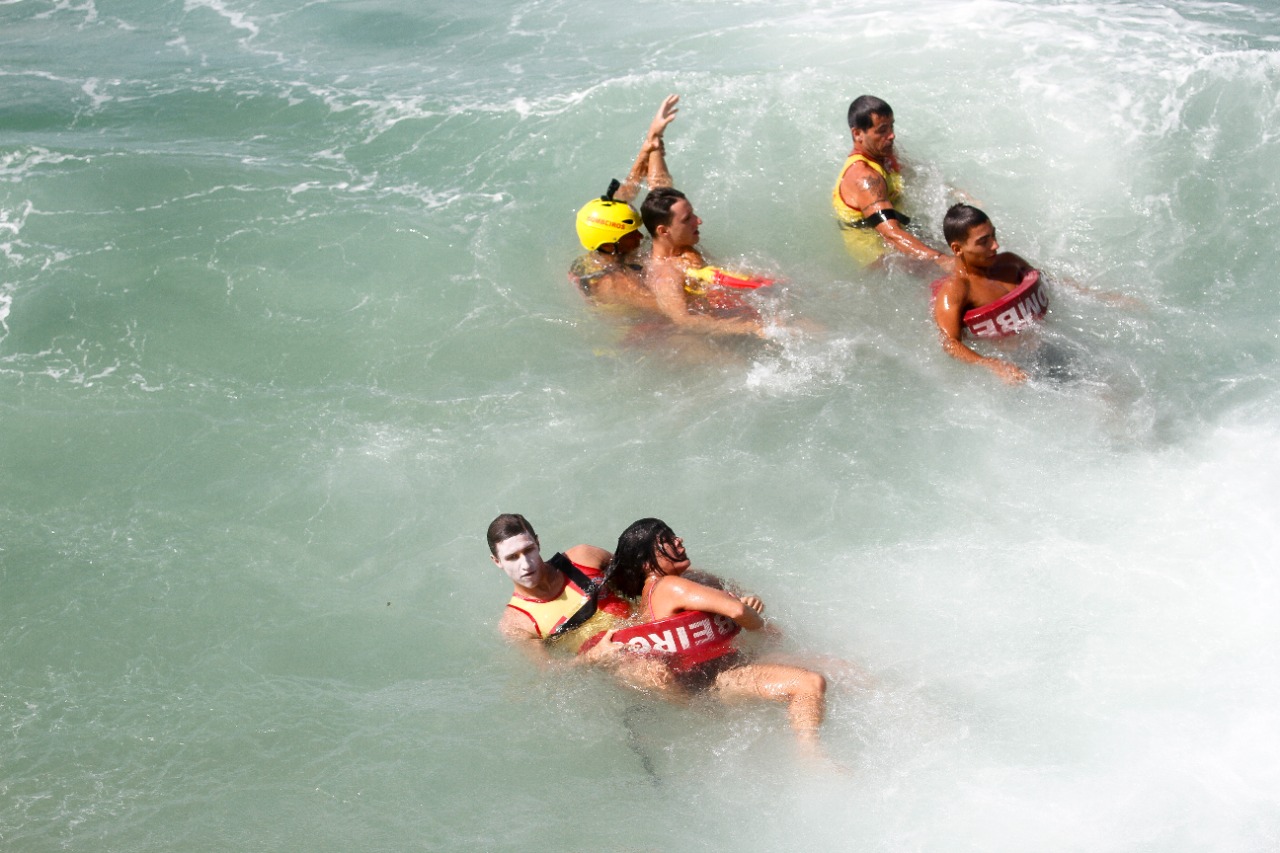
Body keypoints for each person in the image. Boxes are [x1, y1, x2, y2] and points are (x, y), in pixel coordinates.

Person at [608, 518, 828, 751]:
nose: (678, 540)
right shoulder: (669, 586)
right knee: (808, 683)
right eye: (666, 540)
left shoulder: (649, 597)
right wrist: (756, 623)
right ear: (645, 563)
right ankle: (810, 755)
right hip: (721, 681)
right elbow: (738, 611)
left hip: (710, 686)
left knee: (839, 671)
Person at [568, 95, 680, 312]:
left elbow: (626, 191)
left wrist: (650, 144)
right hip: (637, 327)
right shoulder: (614, 283)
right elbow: (672, 310)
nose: (640, 236)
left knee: (661, 206)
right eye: (631, 234)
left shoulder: (604, 237)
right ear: (610, 245)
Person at [832, 95, 952, 272]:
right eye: (882, 130)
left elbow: (918, 173)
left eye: (891, 126)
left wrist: (956, 192)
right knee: (948, 269)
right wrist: (941, 260)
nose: (891, 135)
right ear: (857, 134)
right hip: (880, 253)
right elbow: (891, 235)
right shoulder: (864, 178)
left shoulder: (884, 152)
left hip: (899, 225)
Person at [931, 203, 1046, 383]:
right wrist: (991, 364)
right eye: (983, 242)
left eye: (993, 235)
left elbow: (1046, 281)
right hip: (1014, 365)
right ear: (957, 249)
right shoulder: (957, 290)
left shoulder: (1011, 262)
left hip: (1045, 349)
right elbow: (949, 343)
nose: (995, 245)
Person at [641, 187, 771, 338]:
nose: (698, 221)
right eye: (687, 219)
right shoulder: (665, 275)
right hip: (720, 331)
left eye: (693, 214)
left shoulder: (682, 246)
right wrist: (752, 327)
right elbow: (684, 320)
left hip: (728, 304)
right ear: (663, 231)